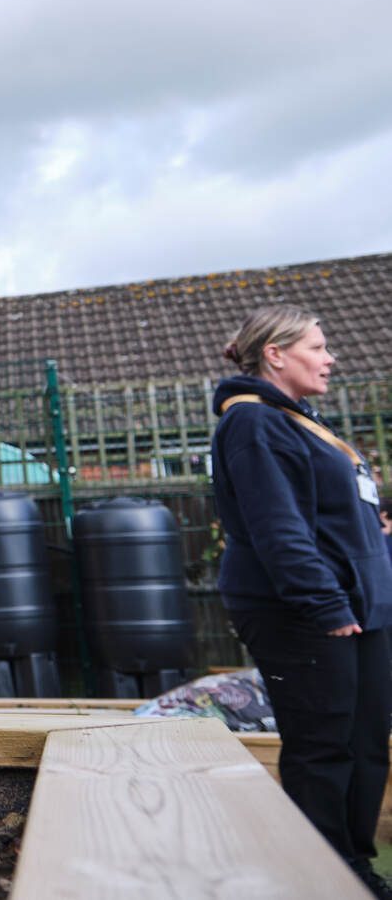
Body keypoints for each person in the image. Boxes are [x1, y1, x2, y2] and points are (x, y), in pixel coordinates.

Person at [211, 303, 392, 896]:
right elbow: (276, 528)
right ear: (276, 354)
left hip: (360, 607)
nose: (330, 357)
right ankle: (321, 875)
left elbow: (327, 513)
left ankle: (353, 865)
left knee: (364, 742)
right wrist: (326, 606)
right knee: (324, 746)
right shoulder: (253, 422)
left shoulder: (299, 421)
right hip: (306, 612)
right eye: (317, 346)